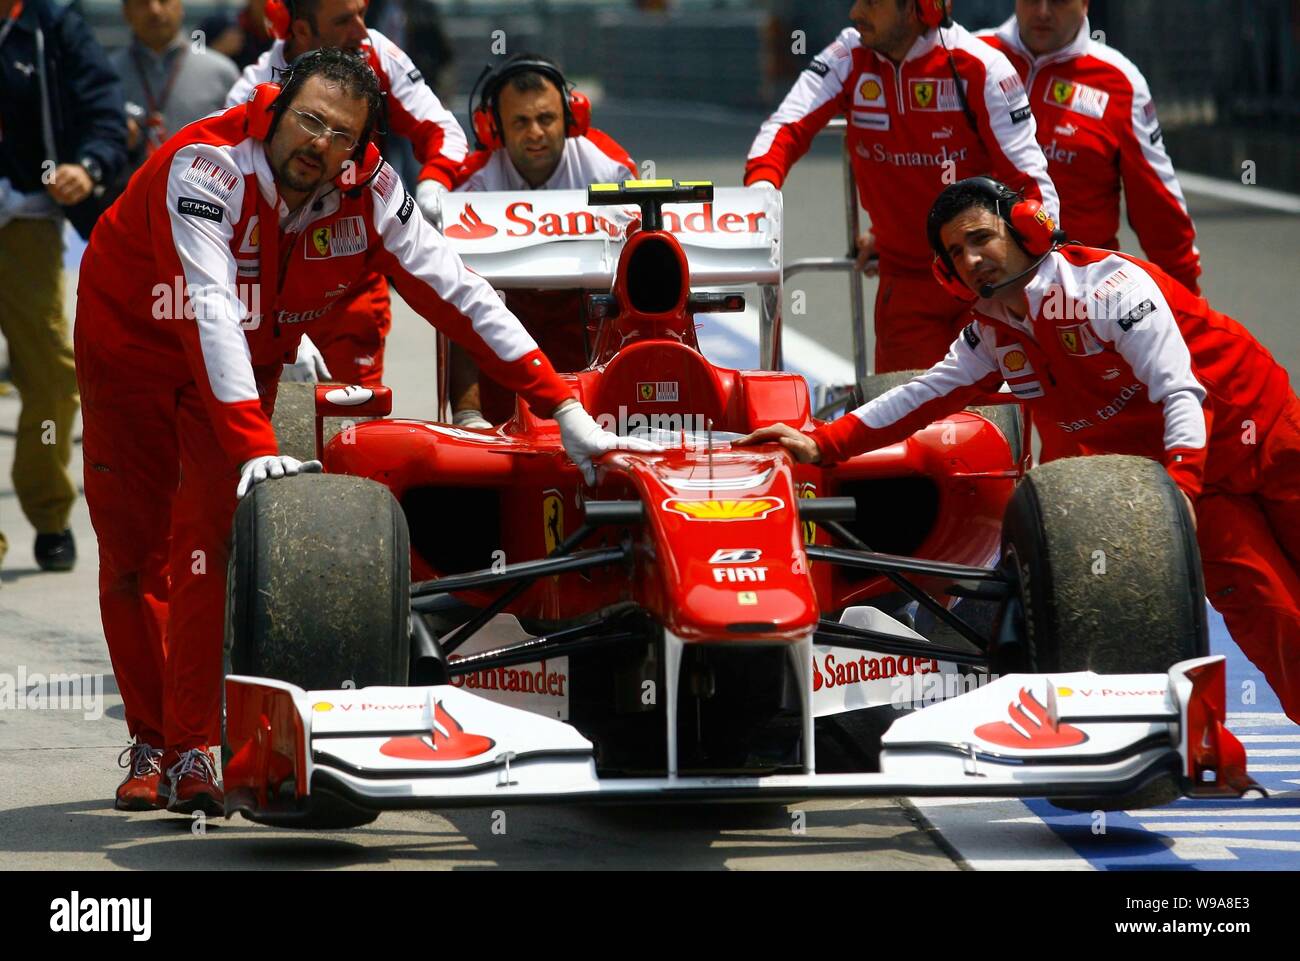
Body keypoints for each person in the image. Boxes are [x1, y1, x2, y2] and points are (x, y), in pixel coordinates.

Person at [76, 49, 656, 814]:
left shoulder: (373, 187)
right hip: (134, 348)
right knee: (134, 552)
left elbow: (458, 292)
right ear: (277, 109)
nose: (318, 142)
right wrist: (254, 442)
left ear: (362, 146)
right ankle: (148, 739)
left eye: (341, 134)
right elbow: (210, 311)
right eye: (309, 119)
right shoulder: (205, 169)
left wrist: (560, 404)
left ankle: (193, 752)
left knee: (201, 545)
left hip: (243, 358)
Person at [737, 177, 1300, 724]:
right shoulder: (989, 334)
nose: (973, 257)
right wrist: (822, 442)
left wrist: (1179, 489)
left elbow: (1179, 389)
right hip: (1198, 484)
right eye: (956, 251)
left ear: (1027, 229)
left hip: (1261, 435)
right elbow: (922, 395)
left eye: (982, 237)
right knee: (1269, 617)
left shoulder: (1107, 289)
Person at [745, 0, 1059, 373]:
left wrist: (1037, 277)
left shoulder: (982, 67)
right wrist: (760, 196)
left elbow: (1032, 184)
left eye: (872, 3)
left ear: (917, 9)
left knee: (990, 425)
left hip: (985, 283)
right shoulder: (850, 53)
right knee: (904, 423)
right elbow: (785, 127)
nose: (855, 13)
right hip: (905, 285)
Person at [226, 0, 468, 386]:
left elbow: (443, 130)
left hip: (352, 276)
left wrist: (434, 183)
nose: (360, 30)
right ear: (300, 30)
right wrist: (277, 328)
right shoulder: (250, 91)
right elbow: (236, 218)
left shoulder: (377, 52)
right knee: (283, 433)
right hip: (271, 289)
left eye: (362, 13)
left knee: (355, 427)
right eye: (343, 20)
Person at [0, 0, 127, 573]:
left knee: (51, 376)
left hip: (29, 221)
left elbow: (103, 108)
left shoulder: (55, 26)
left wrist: (88, 164)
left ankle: (50, 512)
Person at [448, 54, 638, 428]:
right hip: (504, 319)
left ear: (570, 119)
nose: (534, 132)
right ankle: (470, 419)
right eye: (520, 121)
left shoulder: (609, 169)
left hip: (588, 315)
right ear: (494, 128)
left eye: (545, 118)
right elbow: (454, 297)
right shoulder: (472, 184)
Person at [978, 0, 1202, 293]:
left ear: (1085, 3)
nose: (1043, 12)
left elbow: (1157, 207)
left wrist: (1185, 298)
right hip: (975, 289)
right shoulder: (972, 58)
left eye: (1058, 2)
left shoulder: (1119, 81)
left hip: (1081, 295)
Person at [112, 0, 240, 169]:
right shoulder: (106, 75)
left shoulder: (222, 73)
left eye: (164, 1)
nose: (155, 10)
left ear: (180, 6)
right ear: (126, 12)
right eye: (143, 2)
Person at [197, 0, 273, 71]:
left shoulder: (282, 40)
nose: (270, 4)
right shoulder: (215, 25)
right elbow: (191, 65)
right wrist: (218, 51)